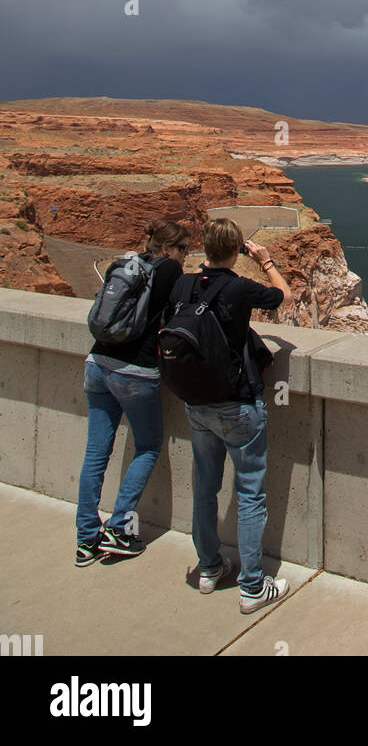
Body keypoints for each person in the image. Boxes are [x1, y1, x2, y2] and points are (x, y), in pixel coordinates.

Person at [169, 218, 294, 613]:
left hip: (197, 404)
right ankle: (253, 586)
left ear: (204, 247)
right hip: (239, 404)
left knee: (205, 488)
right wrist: (266, 260)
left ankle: (208, 569)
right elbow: (283, 296)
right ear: (237, 249)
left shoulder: (184, 283)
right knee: (250, 495)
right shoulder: (239, 287)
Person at [75, 218, 191, 566]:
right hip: (135, 372)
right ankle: (120, 527)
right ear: (168, 248)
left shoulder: (123, 264)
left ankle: (85, 540)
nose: (186, 256)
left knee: (95, 454)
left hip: (97, 363)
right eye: (183, 249)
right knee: (148, 446)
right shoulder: (169, 269)